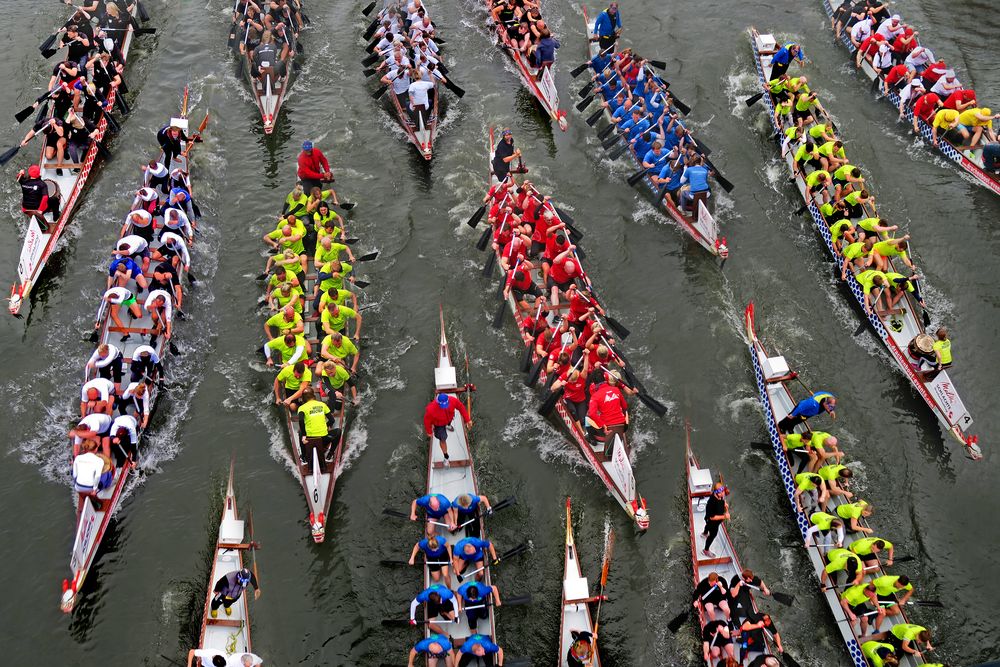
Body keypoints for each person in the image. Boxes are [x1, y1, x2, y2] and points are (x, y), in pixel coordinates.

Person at [587, 372, 631, 457]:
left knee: (587, 416)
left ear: (594, 383)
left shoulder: (595, 396)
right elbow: (625, 406)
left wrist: (602, 425)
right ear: (605, 380)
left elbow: (592, 413)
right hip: (622, 425)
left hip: (607, 428)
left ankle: (591, 438)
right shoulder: (616, 389)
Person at [423, 392, 472, 464]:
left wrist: (467, 420)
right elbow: (426, 421)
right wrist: (429, 431)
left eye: (446, 405)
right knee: (443, 439)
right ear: (438, 403)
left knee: (449, 422)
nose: (445, 407)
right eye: (443, 406)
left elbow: (461, 407)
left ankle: (448, 425)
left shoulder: (453, 400)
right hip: (439, 425)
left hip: (449, 418)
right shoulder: (431, 409)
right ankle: (446, 457)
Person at [16, 164, 59, 230]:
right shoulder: (42, 184)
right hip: (38, 209)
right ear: (39, 173)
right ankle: (56, 218)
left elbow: (18, 178)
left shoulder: (23, 181)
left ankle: (33, 216)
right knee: (55, 200)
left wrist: (20, 173)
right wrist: (40, 210)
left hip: (26, 209)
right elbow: (45, 197)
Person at [297, 388, 333, 465]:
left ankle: (304, 457)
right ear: (314, 396)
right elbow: (332, 420)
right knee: (338, 431)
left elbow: (300, 421)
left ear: (303, 398)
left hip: (309, 438)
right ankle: (330, 454)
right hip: (324, 438)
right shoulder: (323, 405)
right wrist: (326, 426)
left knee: (300, 432)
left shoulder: (302, 408)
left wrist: (304, 435)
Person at [701, 481, 729, 557]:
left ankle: (704, 533)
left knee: (707, 526)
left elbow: (723, 496)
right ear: (715, 492)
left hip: (709, 520)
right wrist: (724, 516)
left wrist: (724, 504)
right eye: (720, 493)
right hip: (712, 522)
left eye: (723, 491)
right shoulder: (712, 503)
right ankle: (706, 550)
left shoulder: (720, 496)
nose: (722, 494)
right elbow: (712, 517)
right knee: (712, 535)